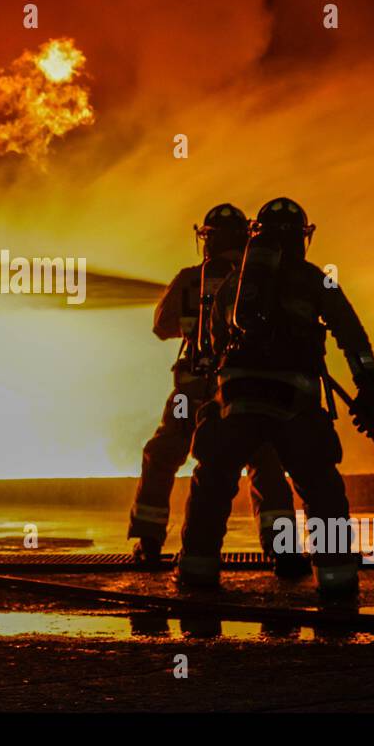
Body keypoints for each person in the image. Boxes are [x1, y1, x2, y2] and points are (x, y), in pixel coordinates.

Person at [176, 197, 374, 596]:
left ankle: (197, 572)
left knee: (213, 484)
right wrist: (369, 388)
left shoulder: (236, 285)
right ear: (301, 238)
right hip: (296, 403)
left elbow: (217, 344)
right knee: (320, 488)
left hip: (237, 402)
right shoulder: (315, 279)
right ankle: (336, 579)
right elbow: (353, 337)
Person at [128, 203, 302, 574]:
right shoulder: (260, 278)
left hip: (192, 391)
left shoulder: (191, 278)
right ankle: (284, 553)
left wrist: (194, 323)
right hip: (245, 389)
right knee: (265, 461)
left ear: (206, 240)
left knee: (163, 454)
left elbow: (162, 326)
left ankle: (151, 541)